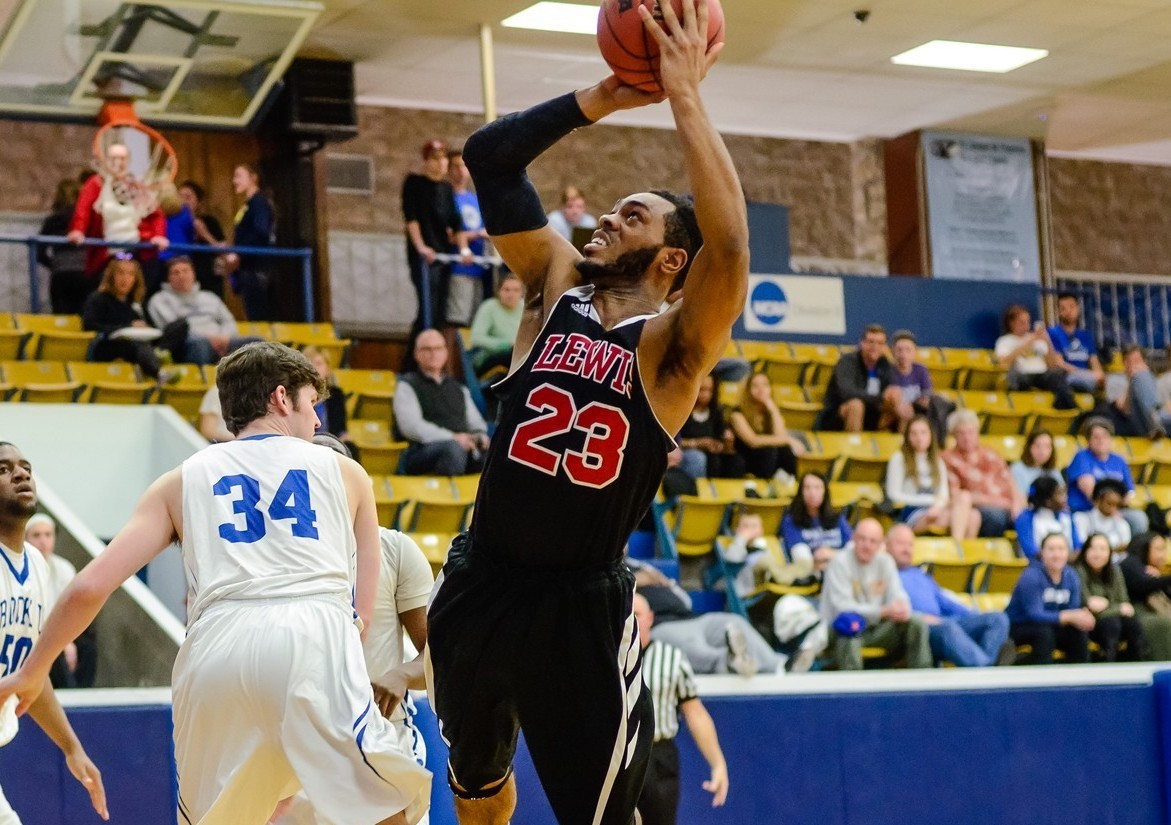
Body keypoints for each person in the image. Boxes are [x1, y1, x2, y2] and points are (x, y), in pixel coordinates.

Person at [426, 3, 749, 821]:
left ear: (672, 258)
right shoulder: (553, 282)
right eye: (610, 208)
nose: (606, 217)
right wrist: (602, 96)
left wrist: (683, 94)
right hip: (480, 577)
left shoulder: (674, 346)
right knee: (475, 781)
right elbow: (488, 160)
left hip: (581, 608)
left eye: (631, 215)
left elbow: (733, 248)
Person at [0, 344, 431, 824]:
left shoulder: (179, 480)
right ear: (282, 398)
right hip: (312, 632)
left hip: (214, 647)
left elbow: (88, 587)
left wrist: (33, 671)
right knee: (389, 805)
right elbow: (361, 619)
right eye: (313, 405)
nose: (316, 422)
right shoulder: (346, 472)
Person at [273, 433, 436, 825]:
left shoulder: (394, 549)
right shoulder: (272, 553)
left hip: (381, 729)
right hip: (299, 736)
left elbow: (439, 656)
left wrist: (401, 674)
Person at [0, 443, 107, 823]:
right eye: (4, 468)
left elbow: (32, 672)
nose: (21, 473)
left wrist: (72, 748)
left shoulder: (36, 567)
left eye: (25, 467)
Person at [632, 594, 728, 825]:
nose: (631, 621)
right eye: (625, 615)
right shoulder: (608, 659)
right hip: (620, 755)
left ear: (650, 618)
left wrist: (718, 764)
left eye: (637, 615)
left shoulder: (672, 658)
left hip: (659, 755)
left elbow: (695, 712)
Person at [887, 524, 1013, 667]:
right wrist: (919, 617)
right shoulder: (884, 574)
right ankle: (987, 672)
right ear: (887, 546)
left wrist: (974, 616)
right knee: (948, 628)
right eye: (901, 544)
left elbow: (946, 603)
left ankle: (986, 663)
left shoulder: (921, 574)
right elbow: (886, 608)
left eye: (910, 544)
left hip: (946, 621)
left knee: (997, 619)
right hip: (921, 629)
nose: (906, 549)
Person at [820, 518, 932, 670]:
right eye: (862, 539)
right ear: (853, 538)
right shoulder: (839, 562)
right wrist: (882, 611)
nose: (867, 545)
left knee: (916, 622)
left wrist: (901, 607)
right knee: (849, 631)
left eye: (873, 541)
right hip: (840, 630)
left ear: (881, 545)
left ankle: (922, 681)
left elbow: (897, 594)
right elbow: (842, 608)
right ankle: (853, 690)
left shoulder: (886, 562)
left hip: (876, 628)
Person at [631, 560, 778, 676]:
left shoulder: (642, 566)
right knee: (698, 649)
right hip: (661, 624)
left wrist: (665, 583)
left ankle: (777, 665)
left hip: (691, 617)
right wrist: (634, 581)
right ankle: (730, 661)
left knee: (733, 622)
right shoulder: (614, 572)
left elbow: (685, 600)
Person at [67, 142, 169, 281]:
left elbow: (155, 214)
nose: (118, 162)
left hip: (137, 250)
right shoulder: (96, 183)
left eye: (122, 158)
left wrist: (158, 235)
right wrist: (78, 230)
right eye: (113, 158)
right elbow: (83, 209)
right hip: (106, 253)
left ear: (128, 161)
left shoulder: (136, 185)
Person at [392, 330, 489, 476]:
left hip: (462, 446)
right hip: (421, 450)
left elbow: (476, 423)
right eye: (427, 349)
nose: (433, 353)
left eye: (438, 348)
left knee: (494, 451)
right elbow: (411, 427)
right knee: (453, 449)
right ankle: (451, 497)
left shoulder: (458, 388)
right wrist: (453, 438)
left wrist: (480, 436)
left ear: (445, 352)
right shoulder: (407, 385)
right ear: (416, 354)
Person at [402, 140, 468, 338]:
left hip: (444, 255)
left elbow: (457, 223)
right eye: (435, 159)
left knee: (439, 312)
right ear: (426, 161)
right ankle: (413, 361)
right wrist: (421, 247)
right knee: (427, 310)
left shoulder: (447, 189)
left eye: (444, 159)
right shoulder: (414, 183)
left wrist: (464, 250)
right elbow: (411, 218)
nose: (441, 164)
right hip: (424, 258)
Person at [24, 514, 97, 690]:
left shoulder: (64, 568)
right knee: (52, 651)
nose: (43, 541)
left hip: (61, 633)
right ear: (25, 538)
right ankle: (69, 696)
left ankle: (83, 697)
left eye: (48, 535)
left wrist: (67, 641)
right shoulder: (22, 567)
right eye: (37, 535)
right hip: (33, 634)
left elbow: (71, 610)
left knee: (88, 649)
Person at [148, 256, 262, 365]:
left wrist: (224, 337)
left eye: (185, 271)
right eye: (176, 272)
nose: (182, 276)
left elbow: (228, 321)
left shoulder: (209, 297)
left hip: (222, 341)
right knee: (200, 344)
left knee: (257, 343)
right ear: (168, 277)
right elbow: (173, 331)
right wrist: (209, 339)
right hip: (189, 344)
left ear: (193, 273)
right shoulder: (159, 300)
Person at [1006, 532, 1093, 665]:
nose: (1056, 554)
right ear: (1042, 553)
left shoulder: (1071, 575)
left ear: (1067, 553)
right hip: (1020, 626)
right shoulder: (1031, 576)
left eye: (1061, 549)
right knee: (1044, 633)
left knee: (1078, 633)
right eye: (1051, 549)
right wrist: (1069, 616)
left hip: (1052, 625)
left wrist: (1082, 617)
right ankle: (1043, 679)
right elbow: (1035, 614)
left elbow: (1073, 609)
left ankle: (1079, 678)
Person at [81, 256, 172, 383]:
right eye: (121, 273)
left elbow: (150, 325)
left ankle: (159, 359)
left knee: (177, 328)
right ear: (112, 276)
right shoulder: (98, 299)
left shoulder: (137, 303)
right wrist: (126, 327)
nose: (125, 279)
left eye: (130, 274)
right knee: (136, 345)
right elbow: (89, 325)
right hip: (107, 346)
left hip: (138, 344)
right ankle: (159, 373)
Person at [885, 414, 977, 539]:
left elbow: (943, 495)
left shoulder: (938, 461)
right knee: (960, 516)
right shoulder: (899, 458)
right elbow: (894, 495)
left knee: (973, 515)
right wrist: (931, 501)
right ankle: (958, 549)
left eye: (923, 433)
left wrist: (937, 506)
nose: (919, 438)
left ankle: (960, 552)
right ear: (908, 437)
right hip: (911, 512)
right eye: (914, 433)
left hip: (936, 510)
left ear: (930, 435)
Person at [940, 409, 1024, 537]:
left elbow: (1010, 482)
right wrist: (997, 501)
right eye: (961, 433)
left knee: (1029, 518)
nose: (967, 437)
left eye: (970, 432)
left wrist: (1017, 504)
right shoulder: (948, 459)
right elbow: (957, 496)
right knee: (994, 517)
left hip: (1008, 506)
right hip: (982, 508)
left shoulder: (991, 454)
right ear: (953, 435)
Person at [1065, 417, 1148, 536]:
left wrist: (1116, 506)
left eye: (1104, 436)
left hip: (1115, 510)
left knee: (1138, 518)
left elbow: (1129, 491)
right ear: (1088, 440)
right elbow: (1089, 490)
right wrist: (1109, 509)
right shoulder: (1082, 457)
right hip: (1087, 510)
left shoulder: (1119, 460)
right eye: (1096, 437)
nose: (1101, 440)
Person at [1073, 533, 1146, 662]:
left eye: (1103, 549)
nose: (1098, 554)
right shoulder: (1078, 572)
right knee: (1112, 623)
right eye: (1093, 548)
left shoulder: (1115, 571)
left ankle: (1137, 666)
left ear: (1110, 553)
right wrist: (1116, 607)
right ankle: (1108, 667)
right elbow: (1087, 606)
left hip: (1113, 621)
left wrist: (1106, 605)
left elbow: (1126, 604)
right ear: (1085, 551)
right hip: (1090, 624)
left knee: (1133, 624)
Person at [216, 163, 276, 320]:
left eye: (239, 176)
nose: (234, 181)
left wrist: (238, 253)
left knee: (258, 313)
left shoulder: (259, 202)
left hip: (256, 268)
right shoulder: (249, 205)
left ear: (253, 178)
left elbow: (261, 232)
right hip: (248, 267)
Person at [820, 324, 906, 432]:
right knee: (856, 405)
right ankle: (855, 446)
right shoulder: (847, 362)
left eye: (880, 343)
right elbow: (847, 393)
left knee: (903, 407)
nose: (875, 347)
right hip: (837, 416)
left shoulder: (884, 363)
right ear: (862, 343)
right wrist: (880, 398)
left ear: (885, 347)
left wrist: (894, 395)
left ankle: (901, 446)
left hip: (871, 415)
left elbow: (891, 390)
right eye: (871, 342)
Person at [993, 304, 1076, 409]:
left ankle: (1069, 408)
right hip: (1022, 374)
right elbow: (1003, 362)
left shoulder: (1038, 340)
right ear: (1012, 323)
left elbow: (1052, 364)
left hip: (1042, 375)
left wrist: (1047, 341)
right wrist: (1027, 343)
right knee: (1016, 378)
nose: (1027, 326)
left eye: (1028, 322)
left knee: (1058, 375)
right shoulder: (1005, 341)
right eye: (1022, 322)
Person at [728, 371, 806, 479]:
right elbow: (752, 441)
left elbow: (780, 435)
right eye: (755, 385)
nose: (761, 389)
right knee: (770, 450)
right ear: (747, 390)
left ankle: (792, 484)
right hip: (747, 457)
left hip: (769, 457)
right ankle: (765, 485)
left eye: (765, 385)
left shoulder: (769, 412)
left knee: (785, 450)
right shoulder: (737, 413)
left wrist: (773, 409)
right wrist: (788, 440)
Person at [446, 147, 492, 327]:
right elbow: (449, 235)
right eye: (456, 166)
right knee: (457, 320)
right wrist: (476, 235)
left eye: (464, 166)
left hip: (478, 266)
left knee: (474, 321)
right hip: (458, 267)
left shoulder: (474, 198)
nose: (461, 171)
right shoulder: (447, 197)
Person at [38, 177, 90, 314]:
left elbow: (39, 254)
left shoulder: (52, 220)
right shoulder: (86, 220)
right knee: (84, 316)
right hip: (84, 272)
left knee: (61, 317)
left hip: (61, 274)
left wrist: (55, 264)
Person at [781, 472, 852, 570]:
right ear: (801, 492)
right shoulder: (791, 521)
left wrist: (831, 554)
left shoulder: (838, 519)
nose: (812, 492)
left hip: (842, 570)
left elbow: (853, 551)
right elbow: (802, 560)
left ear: (825, 492)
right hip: (811, 575)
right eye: (807, 488)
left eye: (817, 487)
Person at [678, 373, 742, 480]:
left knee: (735, 460)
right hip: (687, 452)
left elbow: (720, 438)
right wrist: (697, 443)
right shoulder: (682, 410)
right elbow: (674, 441)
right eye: (702, 389)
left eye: (709, 390)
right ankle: (695, 490)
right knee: (698, 458)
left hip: (711, 455)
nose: (705, 395)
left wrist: (725, 444)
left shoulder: (716, 411)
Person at [1119, 532, 1171, 661]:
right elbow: (1142, 585)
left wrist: (1160, 578)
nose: (1163, 555)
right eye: (1158, 549)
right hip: (1134, 611)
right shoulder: (1131, 563)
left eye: (1164, 549)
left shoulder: (1154, 570)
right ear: (1144, 547)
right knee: (1164, 623)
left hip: (1151, 611)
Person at [1104, 345, 1171, 439]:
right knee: (1141, 377)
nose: (1134, 365)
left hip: (1161, 424)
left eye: (1137, 361)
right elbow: (1125, 409)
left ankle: (1156, 420)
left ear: (1145, 363)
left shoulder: (1152, 380)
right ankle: (1153, 420)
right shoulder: (1115, 380)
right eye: (1129, 362)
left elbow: (1166, 407)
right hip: (1132, 424)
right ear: (1124, 364)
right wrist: (1133, 381)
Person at [178, 180, 227, 297]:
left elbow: (224, 253)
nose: (183, 201)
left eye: (188, 197)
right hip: (181, 282)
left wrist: (205, 234)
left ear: (198, 202)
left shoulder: (210, 222)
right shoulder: (171, 223)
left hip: (207, 280)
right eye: (179, 197)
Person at [469, 273, 524, 377]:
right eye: (506, 290)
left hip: (520, 355)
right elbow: (476, 338)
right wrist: (506, 345)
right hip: (490, 357)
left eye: (516, 290)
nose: (511, 294)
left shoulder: (525, 307)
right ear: (499, 291)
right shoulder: (489, 307)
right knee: (516, 359)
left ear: (522, 293)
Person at [1014, 476, 1081, 561]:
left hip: (1068, 567)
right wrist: (1059, 559)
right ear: (1048, 501)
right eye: (1060, 494)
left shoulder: (1067, 516)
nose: (1065, 498)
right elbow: (1031, 552)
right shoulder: (1025, 518)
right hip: (1036, 568)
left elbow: (1077, 546)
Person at [1048, 292, 1104, 392]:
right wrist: (1087, 374)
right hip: (1067, 377)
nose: (1068, 311)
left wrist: (1099, 374)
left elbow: (1094, 361)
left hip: (1088, 377)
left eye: (1071, 306)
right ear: (1058, 312)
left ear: (1078, 309)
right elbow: (1059, 363)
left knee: (1116, 381)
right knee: (1088, 381)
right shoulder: (1053, 333)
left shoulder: (1086, 335)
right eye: (1063, 308)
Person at [1072, 478, 1132, 555]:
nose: (1112, 508)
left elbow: (1125, 548)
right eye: (1109, 503)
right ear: (1097, 500)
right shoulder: (1081, 518)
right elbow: (1081, 547)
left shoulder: (1122, 524)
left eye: (1116, 505)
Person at [303, 346, 349, 444]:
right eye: (310, 363)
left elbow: (341, 429)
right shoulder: (296, 394)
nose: (314, 368)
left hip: (331, 443)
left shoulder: (336, 394)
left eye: (319, 363)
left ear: (328, 369)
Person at [889, 330, 933, 425]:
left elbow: (927, 394)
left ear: (914, 351)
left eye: (908, 350)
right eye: (899, 350)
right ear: (892, 351)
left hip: (917, 412)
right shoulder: (887, 370)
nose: (903, 354)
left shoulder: (921, 370)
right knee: (904, 411)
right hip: (892, 414)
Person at [1009, 429, 1064, 499]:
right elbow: (1019, 500)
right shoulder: (1017, 469)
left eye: (1047, 447)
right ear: (1029, 447)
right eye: (1038, 446)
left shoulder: (1053, 470)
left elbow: (1062, 495)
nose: (1042, 451)